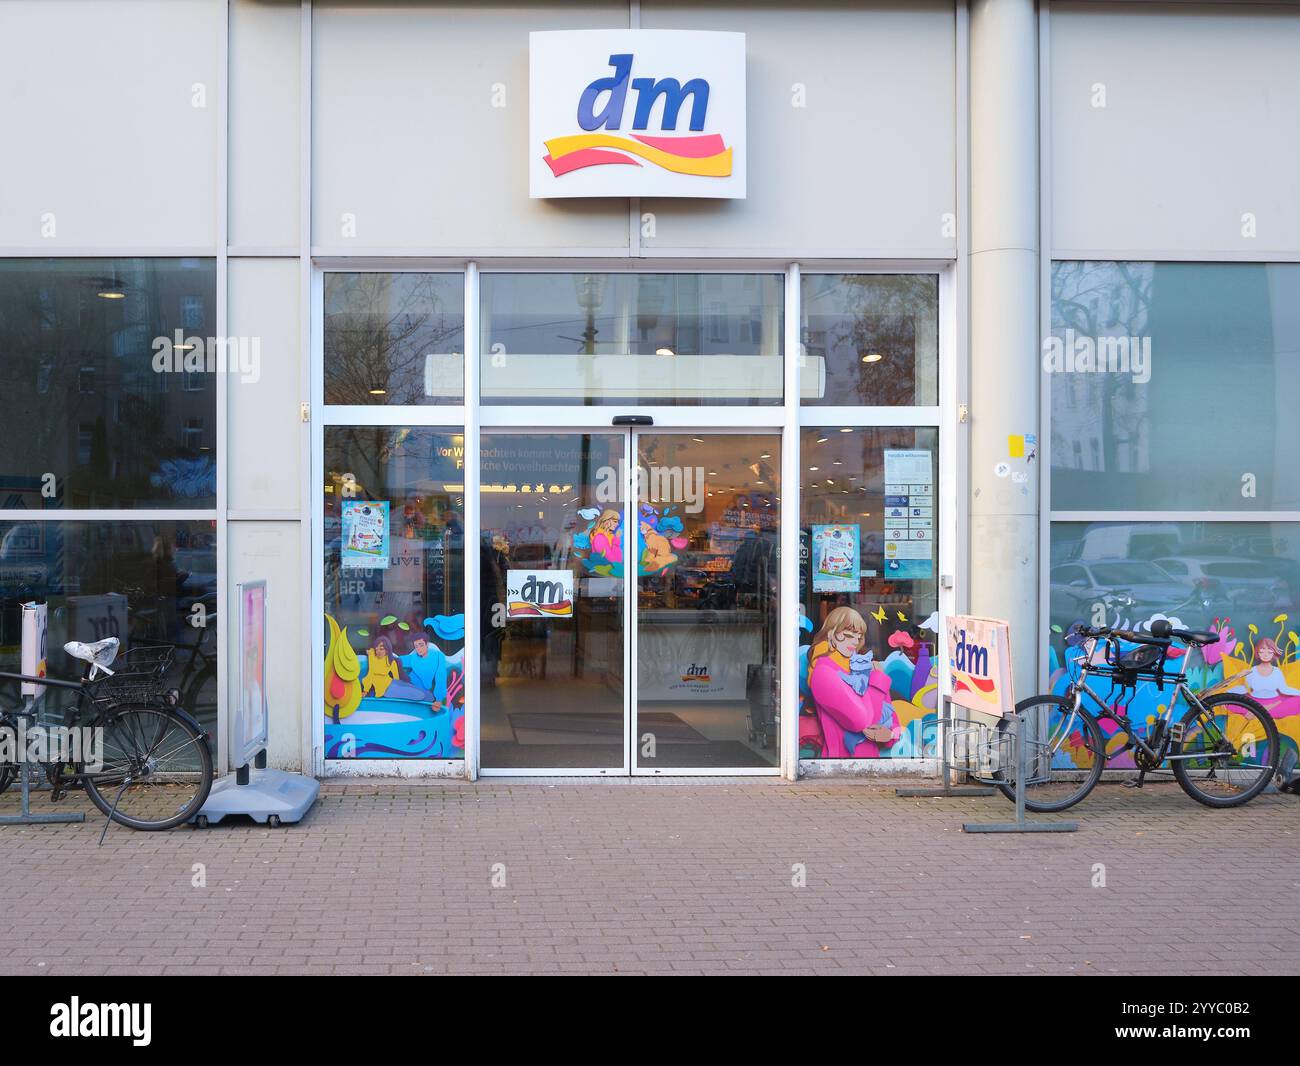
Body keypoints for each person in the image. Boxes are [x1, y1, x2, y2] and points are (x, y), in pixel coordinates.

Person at [807, 606, 898, 758]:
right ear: (831, 634)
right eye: (849, 635)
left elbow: (893, 719)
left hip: (873, 764)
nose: (855, 641)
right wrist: (878, 680)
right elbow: (862, 720)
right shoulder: (824, 672)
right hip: (839, 767)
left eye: (859, 636)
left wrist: (889, 734)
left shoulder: (864, 667)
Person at [386, 631, 449, 710]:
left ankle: (393, 690)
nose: (419, 649)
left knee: (424, 696)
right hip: (409, 686)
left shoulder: (438, 656)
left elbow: (441, 678)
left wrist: (439, 700)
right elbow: (398, 661)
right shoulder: (414, 657)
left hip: (423, 693)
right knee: (392, 683)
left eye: (421, 645)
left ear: (427, 644)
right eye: (416, 646)